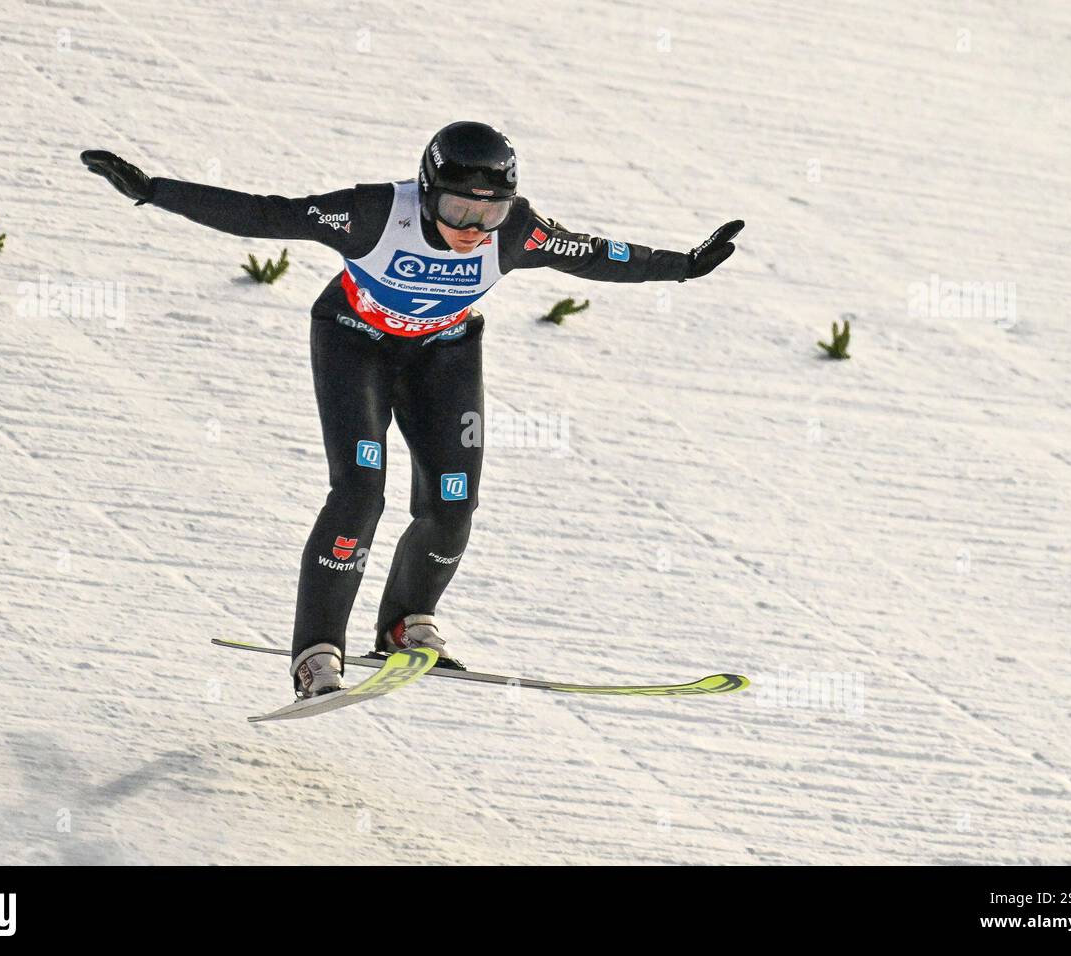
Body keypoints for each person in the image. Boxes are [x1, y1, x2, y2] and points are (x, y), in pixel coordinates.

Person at [81, 121, 744, 698]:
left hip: (443, 357)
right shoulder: (373, 214)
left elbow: (594, 254)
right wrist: (153, 191)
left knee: (453, 502)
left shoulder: (512, 232)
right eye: (459, 209)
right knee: (360, 493)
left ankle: (406, 621)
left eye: (489, 213)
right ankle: (317, 652)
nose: (472, 229)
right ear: (427, 191)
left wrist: (684, 265)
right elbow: (268, 214)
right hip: (354, 345)